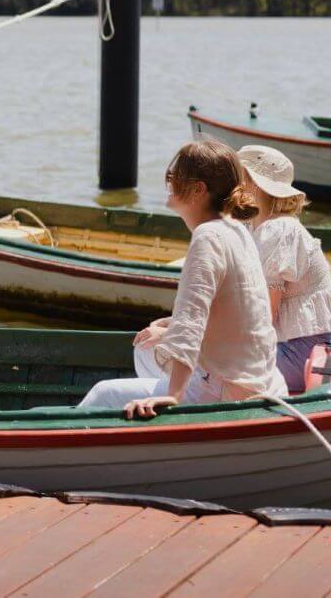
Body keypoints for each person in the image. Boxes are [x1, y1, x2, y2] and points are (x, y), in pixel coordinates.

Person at [79, 139, 286, 419]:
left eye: (173, 181)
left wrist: (173, 396)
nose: (168, 190)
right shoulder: (237, 230)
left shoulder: (207, 237)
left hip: (225, 390)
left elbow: (192, 320)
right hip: (262, 381)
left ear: (198, 190)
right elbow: (232, 310)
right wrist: (170, 325)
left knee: (103, 393)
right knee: (145, 349)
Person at [237, 145, 331, 393]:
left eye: (235, 175)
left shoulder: (277, 229)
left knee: (195, 363)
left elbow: (262, 318)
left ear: (253, 183)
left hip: (305, 350)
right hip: (292, 345)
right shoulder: (254, 226)